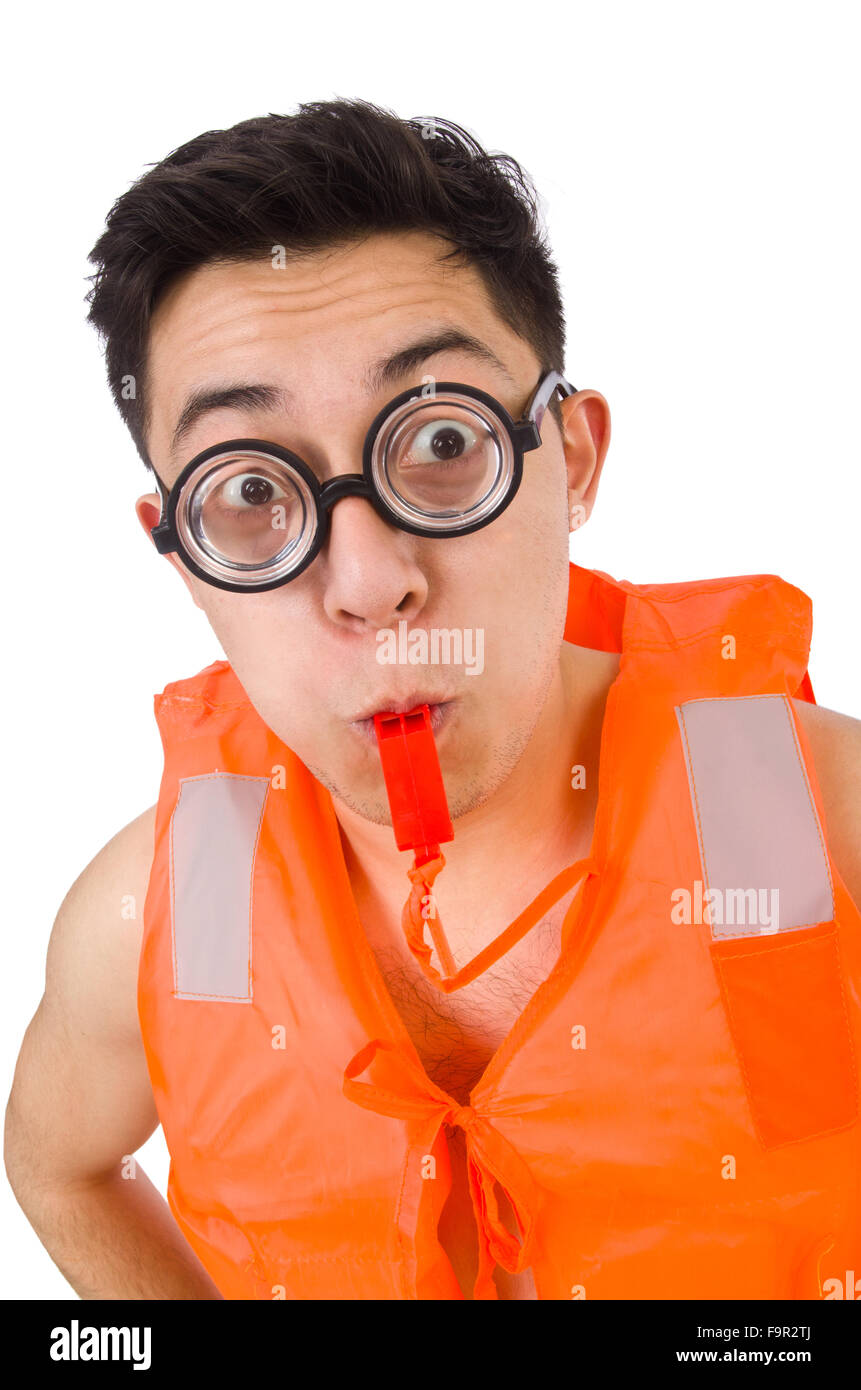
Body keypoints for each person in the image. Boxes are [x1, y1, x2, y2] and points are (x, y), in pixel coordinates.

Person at [5, 99, 860, 1302]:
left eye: (443, 443)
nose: (369, 581)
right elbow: (55, 1164)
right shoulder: (147, 915)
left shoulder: (829, 827)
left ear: (570, 462)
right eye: (250, 487)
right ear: (184, 555)